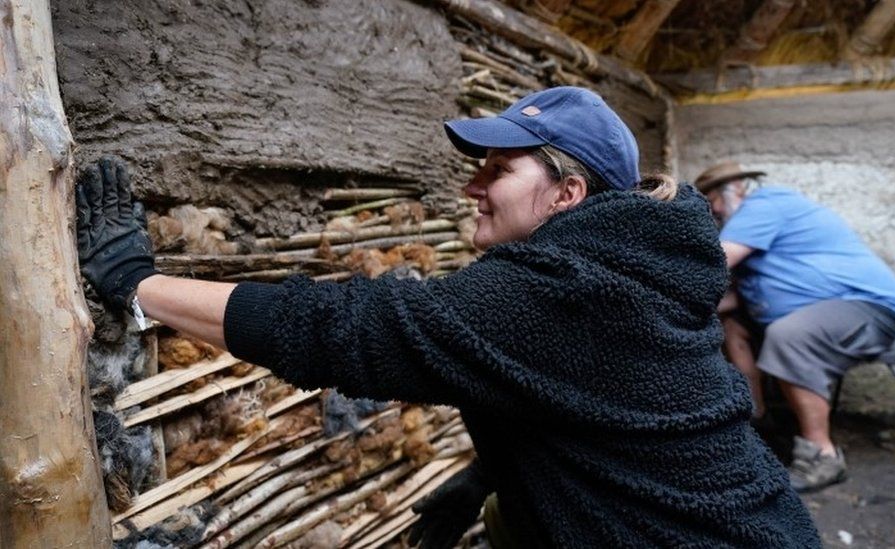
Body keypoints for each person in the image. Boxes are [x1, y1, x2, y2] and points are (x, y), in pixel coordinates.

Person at [76, 87, 820, 547]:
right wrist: (486, 480)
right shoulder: (631, 270)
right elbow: (593, 408)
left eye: (499, 170)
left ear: (566, 195)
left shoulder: (564, 293)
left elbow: (338, 327)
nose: (472, 184)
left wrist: (139, 283)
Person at [695, 161, 895, 493]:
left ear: (733, 192)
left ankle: (823, 455)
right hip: (829, 311)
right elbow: (731, 300)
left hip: (867, 309)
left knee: (788, 336)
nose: (714, 214)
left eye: (712, 204)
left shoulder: (764, 206)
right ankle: (757, 418)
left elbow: (716, 262)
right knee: (734, 324)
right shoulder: (752, 228)